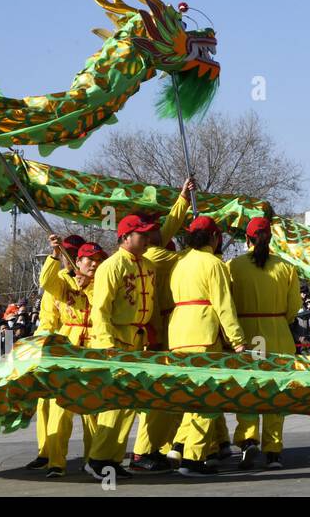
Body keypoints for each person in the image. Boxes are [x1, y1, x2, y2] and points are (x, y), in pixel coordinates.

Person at [85, 213, 163, 481]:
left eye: (148, 234)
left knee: (128, 404)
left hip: (138, 343)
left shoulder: (149, 266)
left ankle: (113, 459)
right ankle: (97, 459)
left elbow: (151, 308)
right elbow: (100, 310)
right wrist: (108, 346)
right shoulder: (111, 266)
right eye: (142, 235)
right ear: (126, 237)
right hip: (116, 342)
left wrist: (155, 339)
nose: (148, 239)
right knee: (114, 404)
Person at [168, 216, 247, 476]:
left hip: (178, 334)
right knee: (208, 398)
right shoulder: (214, 264)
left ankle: (179, 444)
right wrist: (237, 340)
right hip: (203, 334)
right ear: (214, 238)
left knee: (191, 395)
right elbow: (224, 305)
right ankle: (193, 458)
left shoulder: (179, 263)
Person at [130, 180, 196, 473]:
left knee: (165, 397)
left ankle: (161, 447)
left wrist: (182, 199)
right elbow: (187, 257)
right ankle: (143, 451)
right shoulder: (155, 255)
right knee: (156, 398)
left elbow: (168, 228)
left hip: (161, 332)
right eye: (151, 229)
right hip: (154, 335)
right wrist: (203, 247)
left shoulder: (151, 249)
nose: (161, 230)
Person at [230, 216, 301, 470]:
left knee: (249, 390)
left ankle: (249, 440)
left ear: (247, 239)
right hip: (278, 334)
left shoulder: (234, 266)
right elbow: (294, 309)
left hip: (247, 335)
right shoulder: (286, 267)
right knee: (275, 393)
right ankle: (274, 451)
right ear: (270, 239)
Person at [28, 236, 101, 478]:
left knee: (93, 409)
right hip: (65, 348)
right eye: (88, 260)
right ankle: (54, 461)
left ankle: (94, 459)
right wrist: (53, 255)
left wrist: (89, 284)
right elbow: (45, 281)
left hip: (93, 350)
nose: (93, 264)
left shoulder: (102, 281)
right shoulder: (60, 282)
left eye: (97, 260)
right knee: (59, 408)